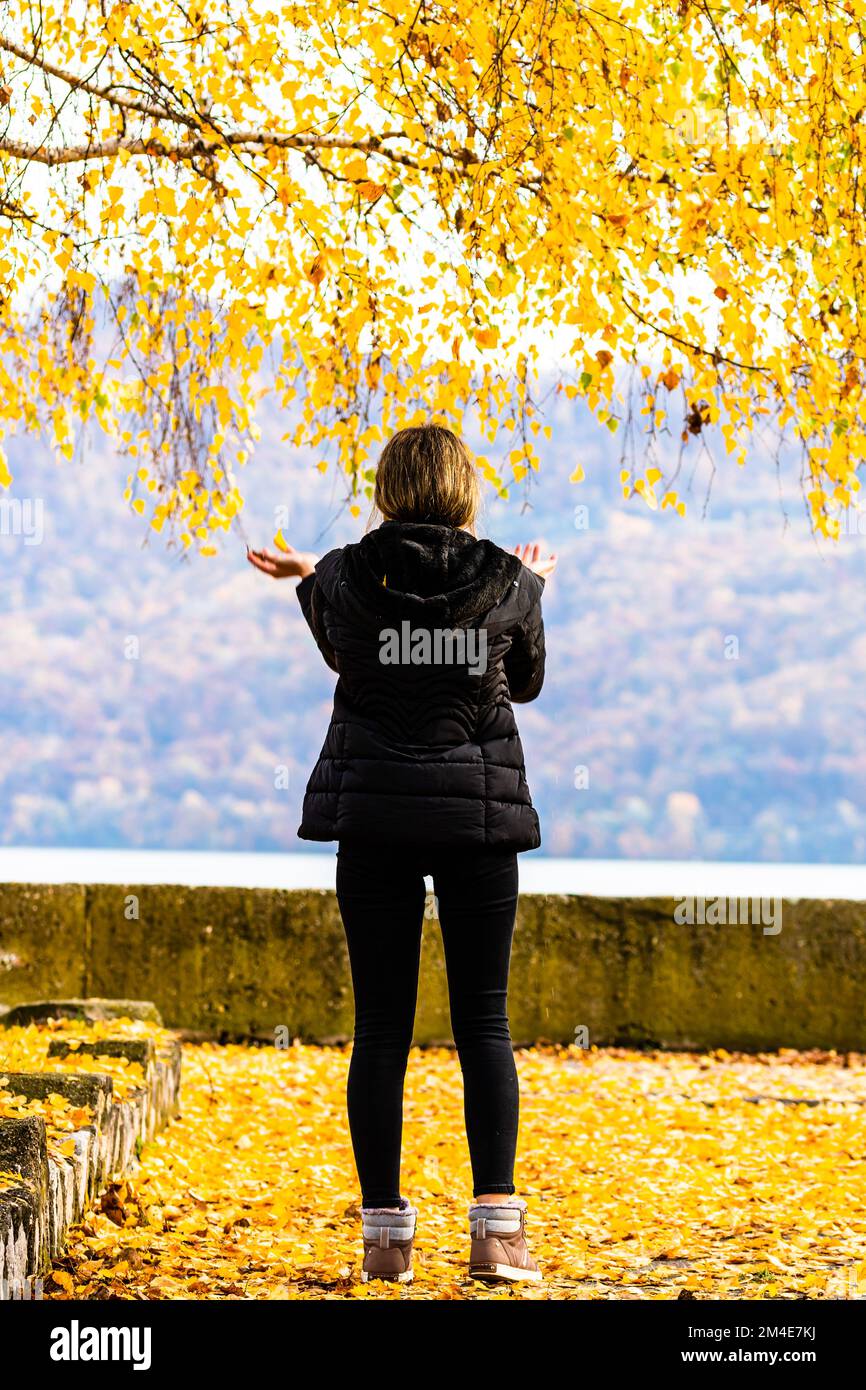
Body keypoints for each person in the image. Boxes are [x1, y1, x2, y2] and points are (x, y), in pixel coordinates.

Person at [248, 423, 556, 1285]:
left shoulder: (347, 575)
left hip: (375, 820)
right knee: (483, 1022)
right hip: (478, 822)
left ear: (387, 489)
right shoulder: (507, 580)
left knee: (380, 1027)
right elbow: (527, 682)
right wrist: (532, 587)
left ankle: (384, 1240)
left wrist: (307, 573)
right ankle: (497, 1234)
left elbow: (339, 647)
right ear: (464, 490)